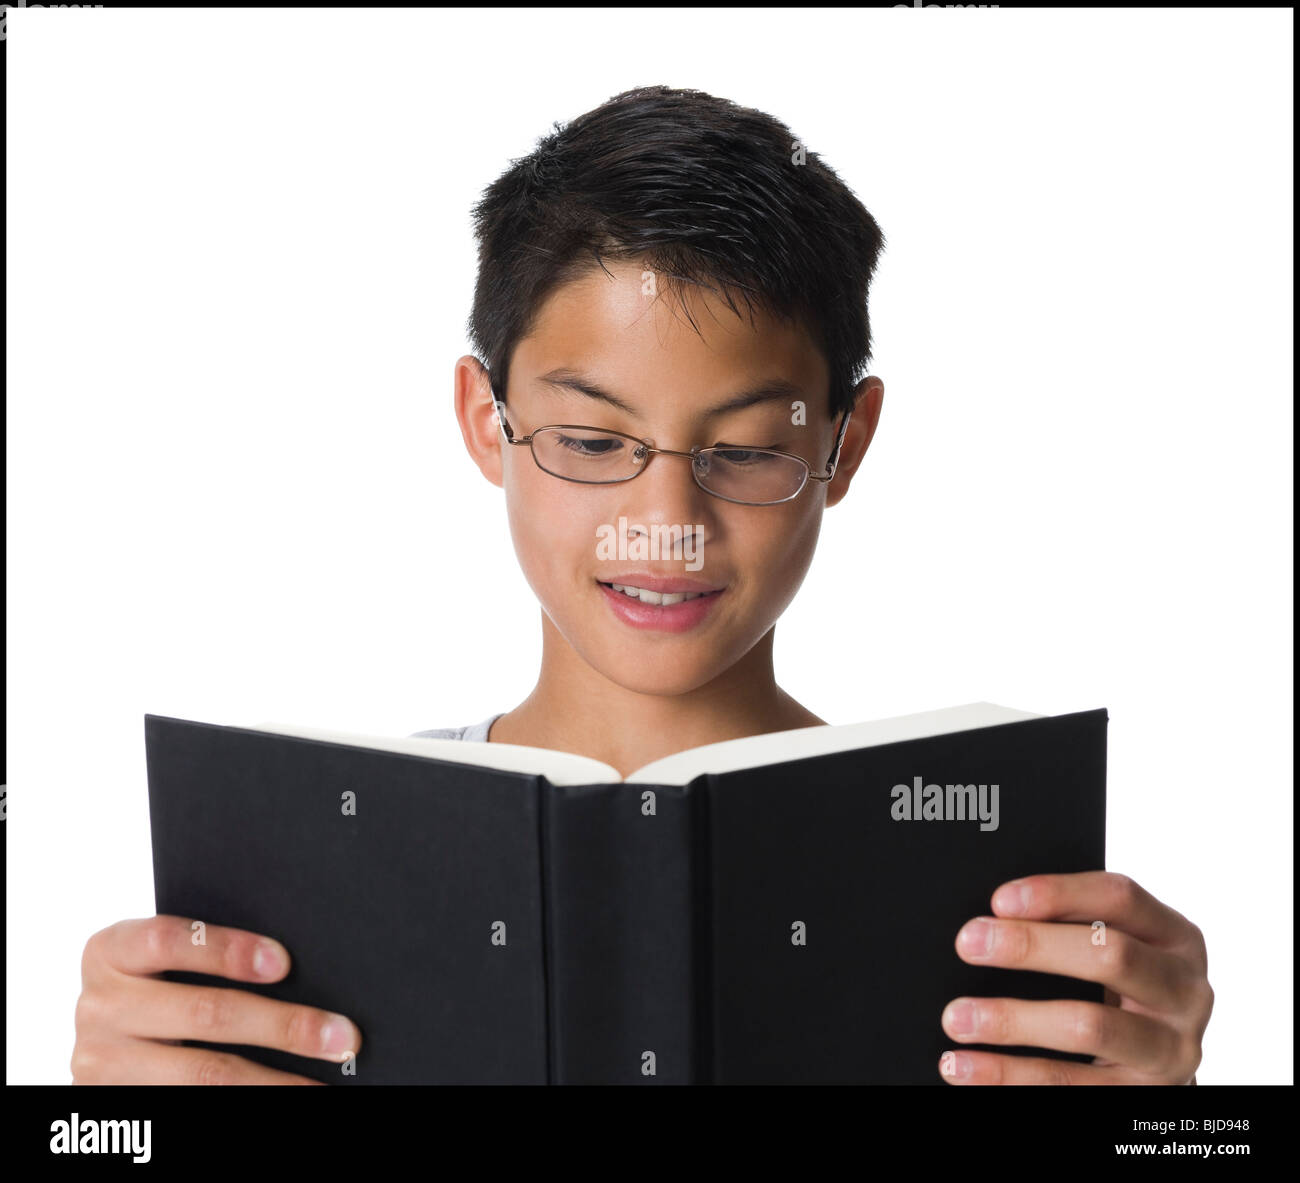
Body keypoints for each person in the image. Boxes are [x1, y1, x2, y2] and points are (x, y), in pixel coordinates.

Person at [71, 85, 1211, 1085]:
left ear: (844, 446)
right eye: (588, 439)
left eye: (749, 449)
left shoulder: (995, 901)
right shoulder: (309, 875)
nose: (664, 526)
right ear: (486, 423)